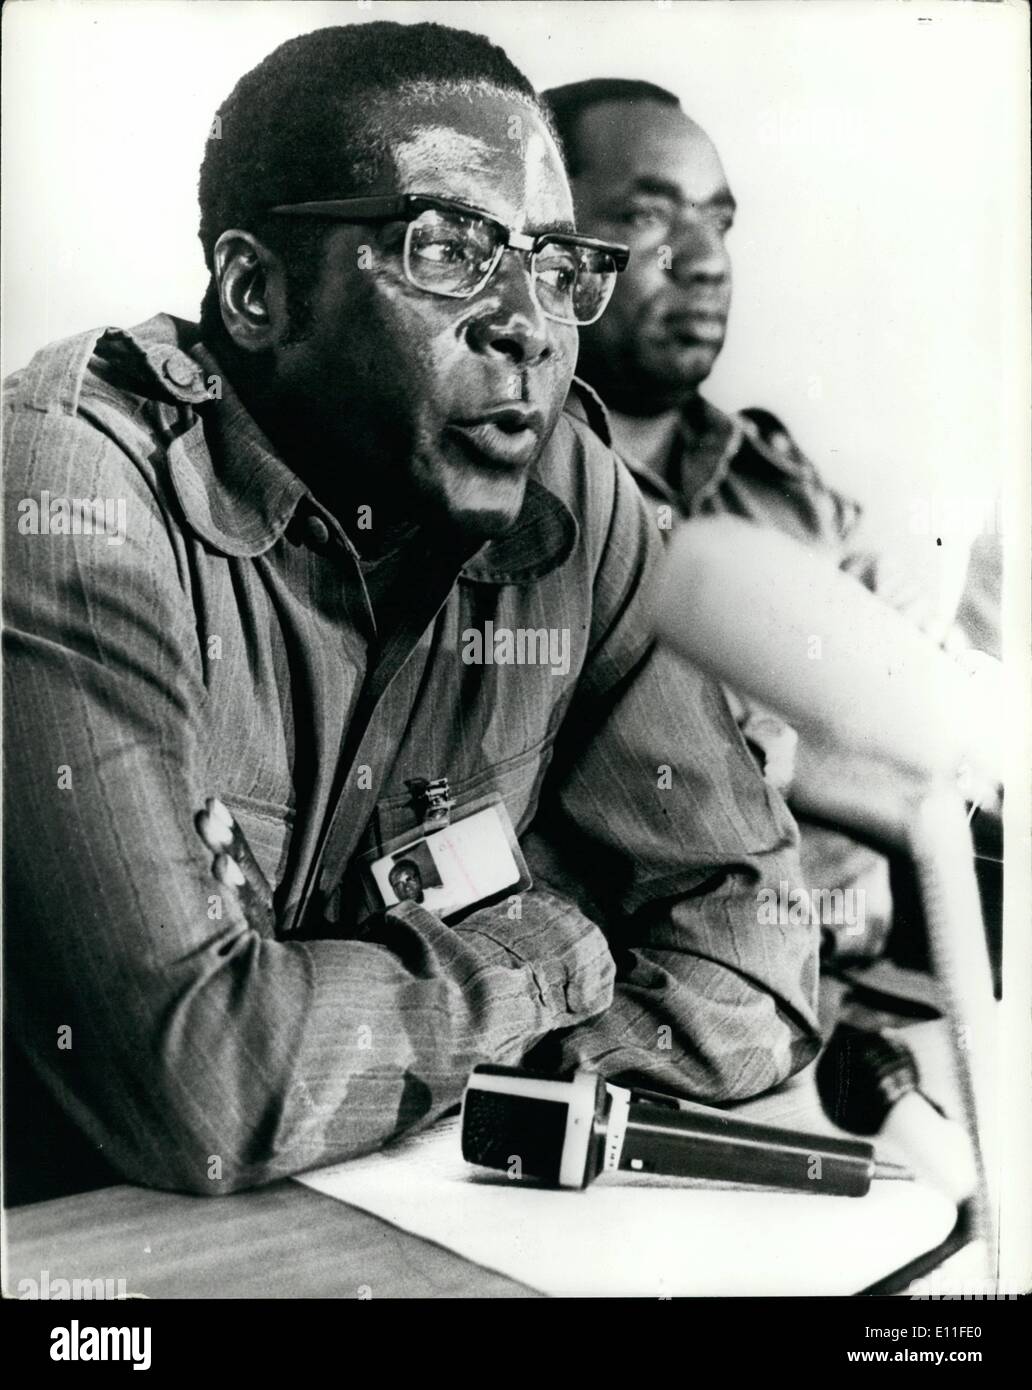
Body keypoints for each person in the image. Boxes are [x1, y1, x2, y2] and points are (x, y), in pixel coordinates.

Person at [4, 24, 819, 1207]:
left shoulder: (568, 489)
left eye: (555, 266)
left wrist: (467, 1071)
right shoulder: (70, 484)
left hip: (385, 1235)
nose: (530, 327)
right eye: (448, 250)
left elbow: (756, 945)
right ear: (255, 293)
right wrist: (551, 948)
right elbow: (204, 1090)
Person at [542, 77, 955, 963]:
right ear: (548, 241)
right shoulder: (505, 497)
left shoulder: (786, 490)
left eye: (718, 222)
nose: (706, 259)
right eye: (650, 215)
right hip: (660, 1026)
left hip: (876, 993)